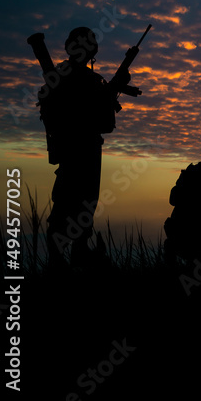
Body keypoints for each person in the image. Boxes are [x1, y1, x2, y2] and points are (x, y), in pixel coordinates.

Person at [41, 27, 119, 267]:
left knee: (81, 207)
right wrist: (111, 91)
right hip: (80, 151)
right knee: (71, 205)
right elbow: (100, 118)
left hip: (82, 150)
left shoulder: (70, 75)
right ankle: (66, 262)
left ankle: (75, 258)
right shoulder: (77, 77)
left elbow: (103, 119)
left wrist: (111, 89)